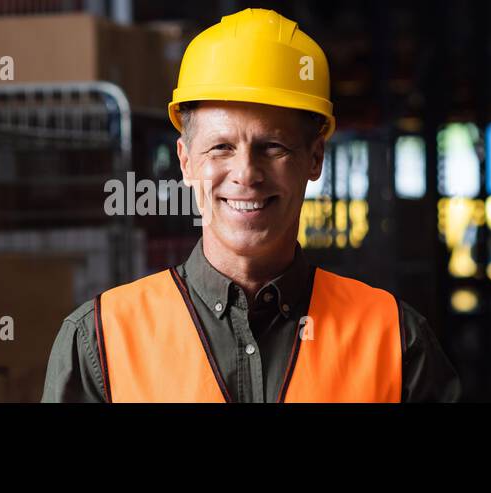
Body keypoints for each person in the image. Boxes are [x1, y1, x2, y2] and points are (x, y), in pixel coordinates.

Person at [42, 8, 460, 402]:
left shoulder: (396, 341)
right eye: (221, 147)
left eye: (272, 146)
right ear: (186, 162)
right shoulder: (99, 342)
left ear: (315, 158)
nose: (246, 173)